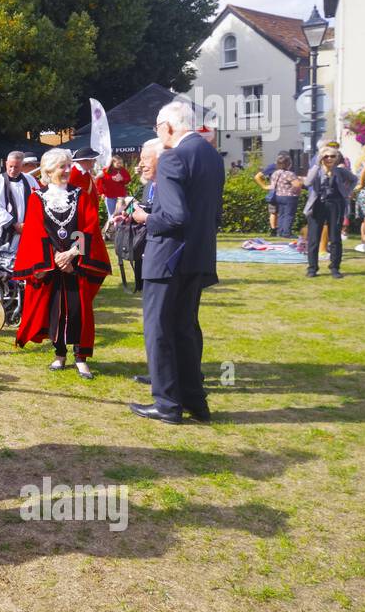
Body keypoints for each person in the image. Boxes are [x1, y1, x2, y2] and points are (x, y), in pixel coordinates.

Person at [129, 101, 225, 425]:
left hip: (167, 258)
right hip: (198, 258)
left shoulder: (172, 156)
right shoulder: (212, 155)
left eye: (157, 128)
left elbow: (172, 216)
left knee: (158, 331)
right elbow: (214, 214)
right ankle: (196, 402)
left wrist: (145, 217)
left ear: (167, 126)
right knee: (184, 329)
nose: (157, 134)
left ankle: (168, 404)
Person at [12, 148, 111, 378]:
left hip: (76, 263)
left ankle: (81, 357)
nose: (67, 170)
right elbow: (36, 231)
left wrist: (72, 254)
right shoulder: (37, 197)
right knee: (55, 311)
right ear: (48, 170)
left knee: (80, 310)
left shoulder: (80, 195)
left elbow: (90, 227)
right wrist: (56, 258)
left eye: (68, 166)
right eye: (62, 167)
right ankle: (60, 355)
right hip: (52, 263)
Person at [113, 138, 161, 296]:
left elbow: (169, 216)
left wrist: (144, 216)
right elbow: (144, 204)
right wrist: (128, 215)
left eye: (145, 158)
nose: (140, 164)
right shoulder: (149, 184)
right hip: (145, 245)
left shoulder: (170, 185)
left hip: (162, 255)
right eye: (140, 159)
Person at [302, 144, 357, 279]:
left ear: (337, 157)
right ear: (321, 157)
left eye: (333, 156)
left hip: (336, 205)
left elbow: (354, 179)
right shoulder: (316, 170)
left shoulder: (340, 171)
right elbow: (308, 182)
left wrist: (347, 192)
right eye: (326, 156)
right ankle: (312, 268)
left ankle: (335, 267)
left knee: (335, 238)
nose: (329, 159)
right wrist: (317, 164)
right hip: (317, 205)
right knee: (314, 238)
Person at [0, 150, 37, 257]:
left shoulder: (30, 180)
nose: (12, 170)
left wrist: (30, 223)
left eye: (16, 167)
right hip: (5, 232)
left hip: (27, 230)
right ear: (6, 163)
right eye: (10, 166)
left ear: (22, 166)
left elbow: (38, 201)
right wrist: (14, 223)